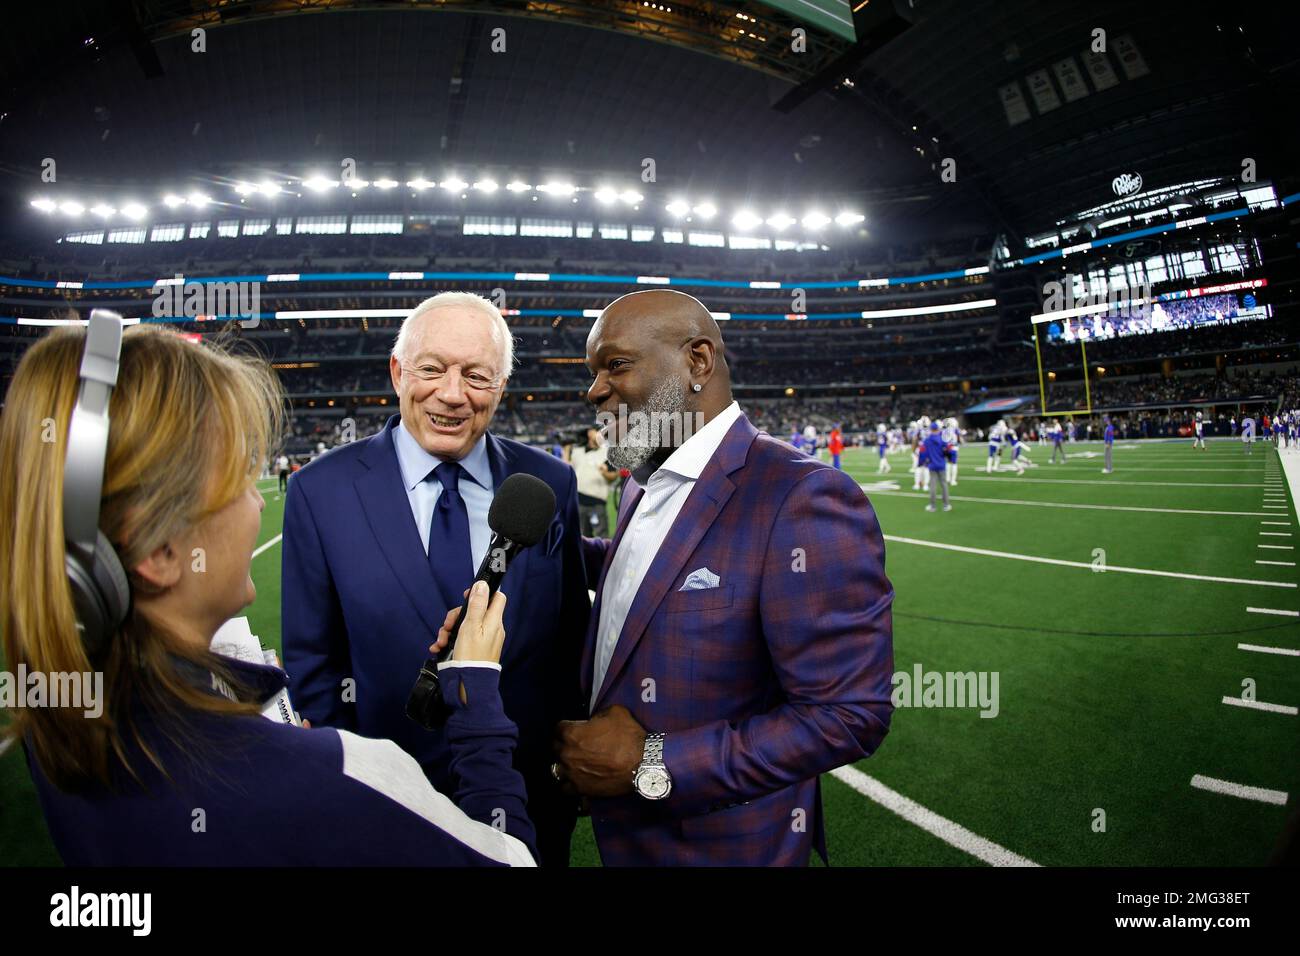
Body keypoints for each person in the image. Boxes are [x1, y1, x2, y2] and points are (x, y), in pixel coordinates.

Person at [0, 317, 535, 865]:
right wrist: (477, 702)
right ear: (158, 550)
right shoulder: (329, 777)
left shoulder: (63, 712)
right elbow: (511, 859)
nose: (258, 504)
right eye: (238, 479)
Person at [554, 289, 894, 866]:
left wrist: (651, 762)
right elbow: (652, 570)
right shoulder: (646, 477)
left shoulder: (801, 495)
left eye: (615, 365)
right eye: (593, 372)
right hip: (631, 839)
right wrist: (555, 548)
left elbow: (848, 714)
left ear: (698, 361)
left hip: (723, 847)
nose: (594, 391)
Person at [280, 291, 590, 866]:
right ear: (398, 372)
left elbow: (570, 640)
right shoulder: (319, 491)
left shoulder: (549, 485)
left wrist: (559, 769)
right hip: (386, 808)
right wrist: (358, 787)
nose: (452, 394)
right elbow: (314, 669)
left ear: (501, 386)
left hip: (527, 803)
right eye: (431, 369)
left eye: (477, 375)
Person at [569, 426, 619, 537]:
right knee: (582, 537)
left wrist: (604, 473)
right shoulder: (577, 451)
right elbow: (567, 469)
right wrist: (565, 448)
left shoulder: (607, 452)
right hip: (578, 501)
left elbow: (614, 475)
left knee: (601, 536)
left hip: (596, 503)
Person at [922, 422, 952, 512]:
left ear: (931, 429)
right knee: (944, 485)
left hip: (932, 465)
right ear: (938, 429)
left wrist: (924, 462)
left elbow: (924, 453)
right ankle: (946, 505)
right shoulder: (942, 440)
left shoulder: (927, 440)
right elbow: (948, 451)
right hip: (942, 464)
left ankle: (933, 506)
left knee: (933, 486)